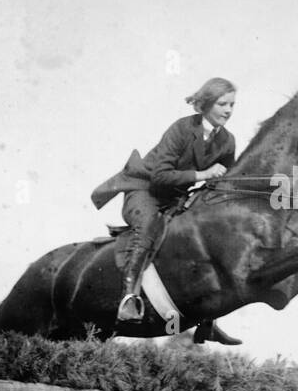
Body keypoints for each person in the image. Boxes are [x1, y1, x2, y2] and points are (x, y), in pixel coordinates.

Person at [91, 78, 240, 344]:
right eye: (222, 104)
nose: (228, 110)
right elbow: (160, 176)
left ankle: (210, 316)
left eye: (232, 105)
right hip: (146, 191)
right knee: (147, 228)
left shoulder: (227, 142)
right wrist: (204, 173)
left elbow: (225, 181)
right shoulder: (182, 129)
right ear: (206, 104)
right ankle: (129, 298)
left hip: (178, 198)